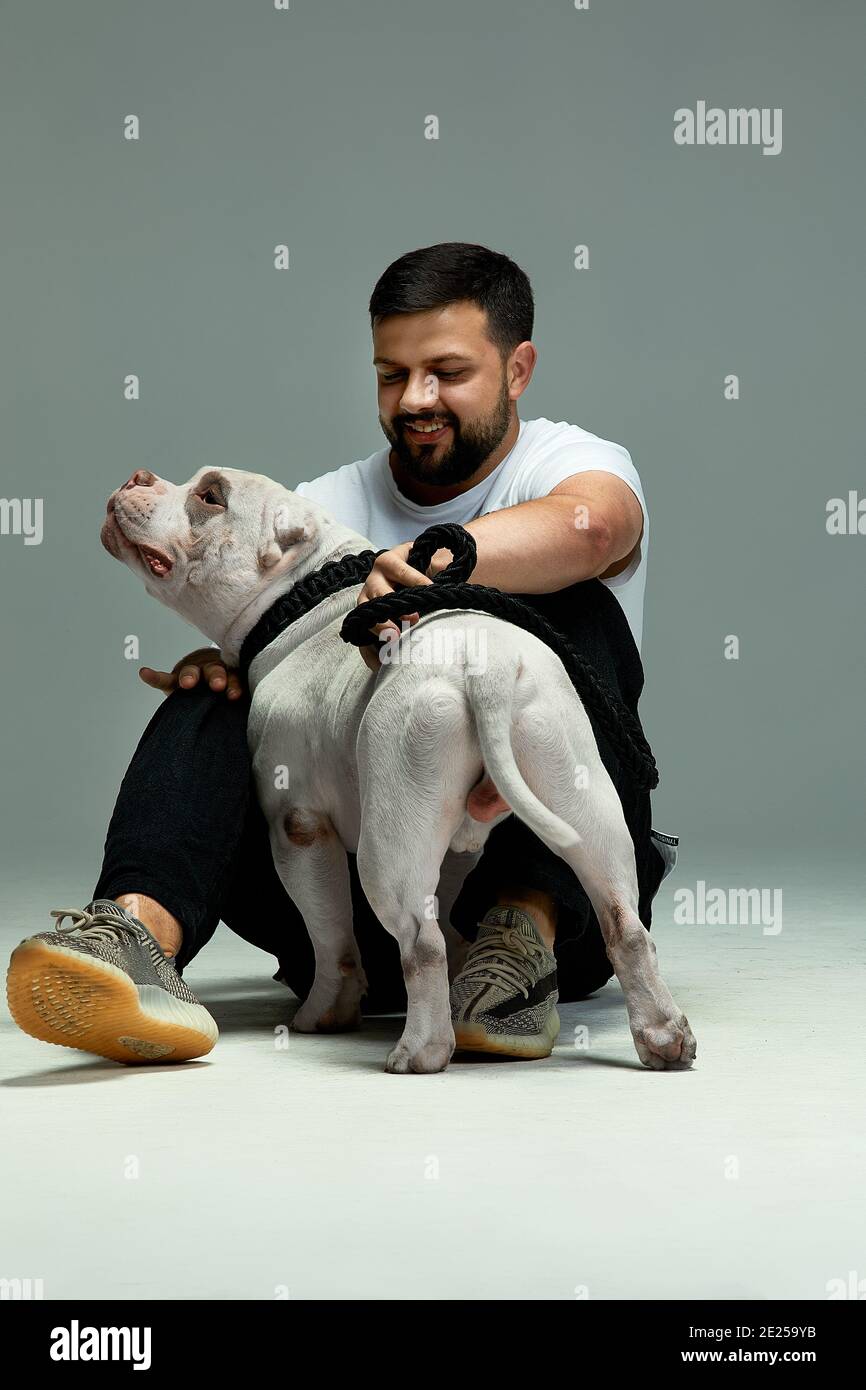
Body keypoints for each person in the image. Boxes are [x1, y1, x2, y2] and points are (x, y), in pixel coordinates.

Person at [6, 242, 669, 1067]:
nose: (416, 399)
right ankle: (138, 939)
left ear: (519, 368)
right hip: (349, 904)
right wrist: (233, 666)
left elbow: (591, 529)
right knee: (213, 695)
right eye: (392, 374)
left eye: (448, 371)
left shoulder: (569, 463)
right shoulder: (319, 507)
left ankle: (513, 946)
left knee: (574, 614)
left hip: (554, 879)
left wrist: (434, 564)